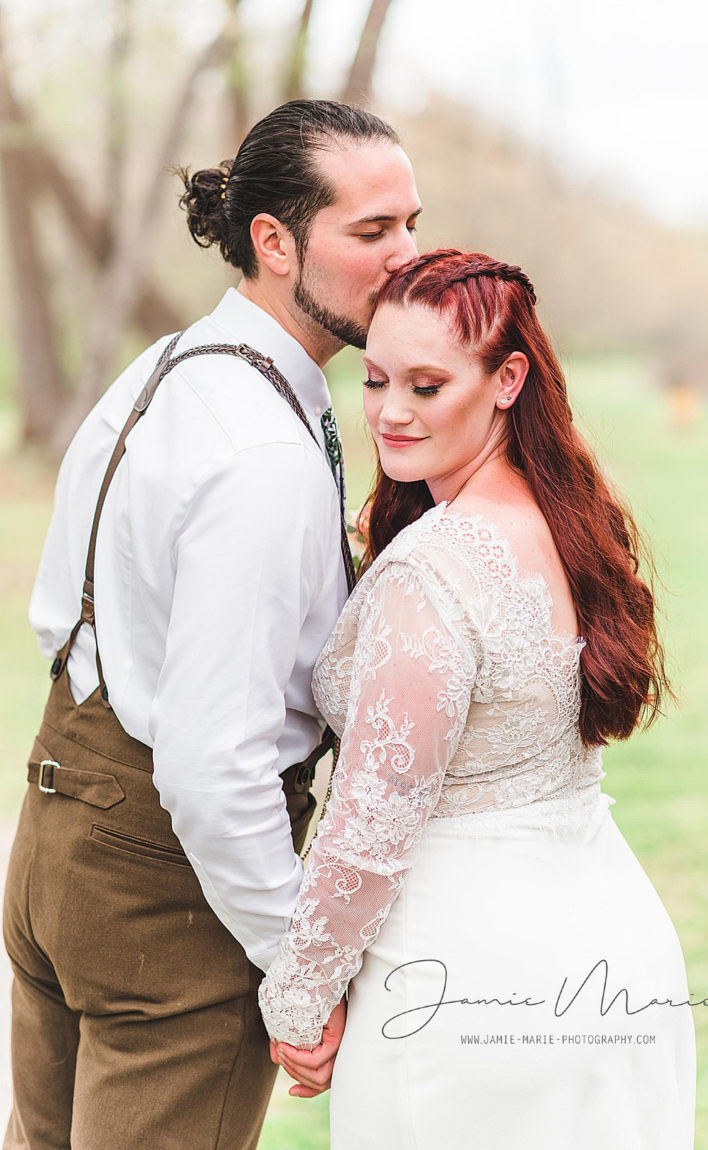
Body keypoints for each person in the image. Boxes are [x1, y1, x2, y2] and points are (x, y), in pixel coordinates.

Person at [3, 99, 421, 1149]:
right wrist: (299, 968)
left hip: (53, 840)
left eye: (412, 222)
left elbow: (63, 619)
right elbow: (211, 763)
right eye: (372, 233)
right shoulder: (262, 458)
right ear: (276, 243)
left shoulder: (167, 368)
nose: (408, 257)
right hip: (164, 896)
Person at [258, 250, 697, 1148]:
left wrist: (300, 1001)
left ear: (507, 380)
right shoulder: (568, 523)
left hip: (466, 982)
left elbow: (371, 827)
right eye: (376, 379)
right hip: (614, 954)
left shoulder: (436, 572)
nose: (390, 411)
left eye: (427, 384)